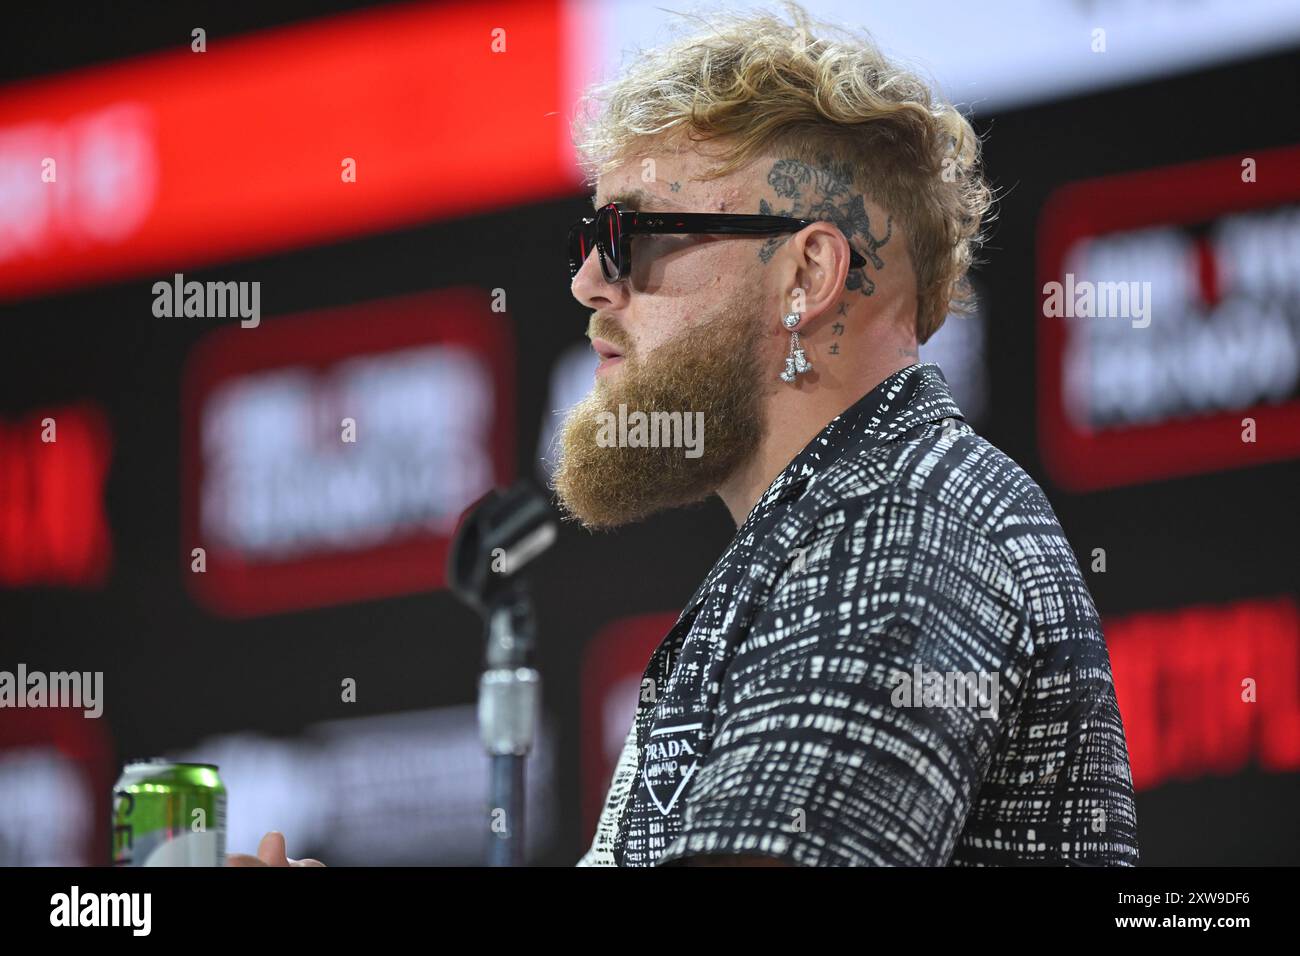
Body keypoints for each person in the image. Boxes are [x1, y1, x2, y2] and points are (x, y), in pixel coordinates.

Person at [233, 0, 1139, 867]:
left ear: (809, 272)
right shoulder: (815, 537)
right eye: (590, 239)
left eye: (631, 235)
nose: (590, 281)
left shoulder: (902, 523)